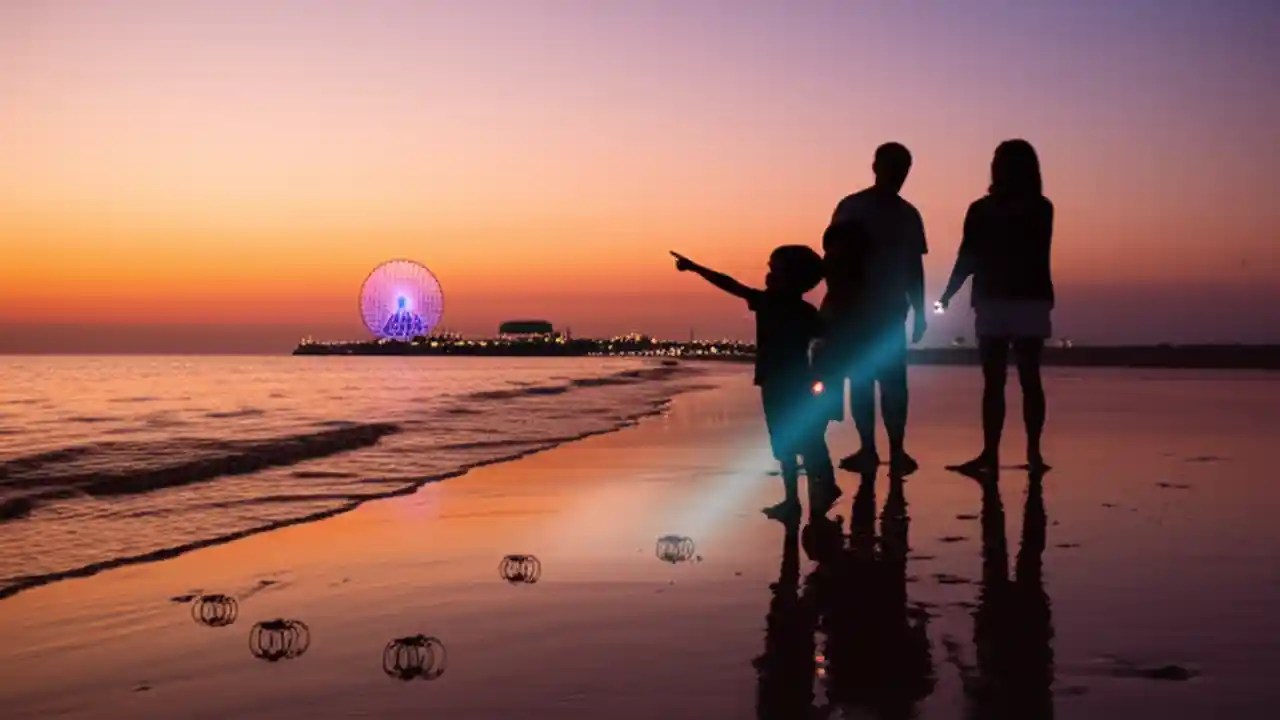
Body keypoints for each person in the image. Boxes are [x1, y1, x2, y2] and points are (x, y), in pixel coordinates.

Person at [671, 246, 837, 518]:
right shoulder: (804, 311)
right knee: (805, 438)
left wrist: (695, 268)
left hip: (777, 381)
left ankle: (797, 499)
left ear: (793, 278)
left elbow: (729, 284)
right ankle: (811, 493)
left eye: (775, 270)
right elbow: (828, 339)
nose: (768, 275)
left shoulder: (769, 302)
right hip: (797, 381)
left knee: (786, 441)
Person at [939, 139, 1054, 474]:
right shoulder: (1040, 207)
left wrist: (949, 293)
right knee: (1026, 379)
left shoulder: (988, 209)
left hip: (1003, 298)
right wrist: (949, 292)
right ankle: (1029, 454)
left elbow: (969, 256)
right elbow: (971, 255)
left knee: (1000, 381)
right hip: (1025, 298)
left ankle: (999, 453)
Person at [823, 142, 929, 477]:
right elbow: (835, 258)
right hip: (862, 307)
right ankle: (875, 448)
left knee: (884, 381)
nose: (898, 174)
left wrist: (920, 310)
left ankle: (888, 449)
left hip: (882, 310)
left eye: (902, 168)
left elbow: (914, 267)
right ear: (877, 167)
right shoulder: (858, 207)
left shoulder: (902, 213)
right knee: (871, 381)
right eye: (894, 167)